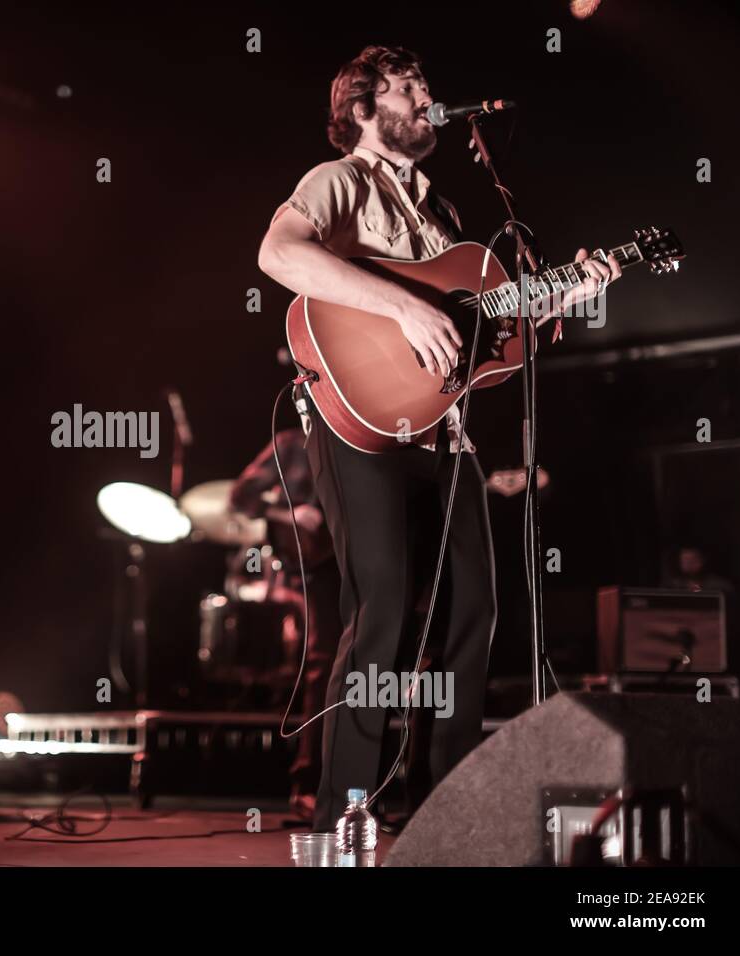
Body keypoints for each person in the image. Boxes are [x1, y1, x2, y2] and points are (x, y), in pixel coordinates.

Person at [256, 45, 620, 832]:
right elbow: (279, 254)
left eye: (427, 86)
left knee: (474, 615)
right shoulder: (337, 181)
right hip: (357, 419)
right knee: (380, 607)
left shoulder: (448, 214)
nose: (428, 97)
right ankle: (341, 808)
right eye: (410, 87)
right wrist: (403, 308)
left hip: (444, 430)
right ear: (363, 109)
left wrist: (567, 291)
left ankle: (444, 809)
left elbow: (490, 344)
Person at [228, 428, 341, 821]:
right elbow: (240, 497)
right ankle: (308, 784)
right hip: (316, 566)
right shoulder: (291, 443)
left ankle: (357, 787)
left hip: (356, 560)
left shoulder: (369, 430)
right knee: (322, 664)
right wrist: (288, 513)